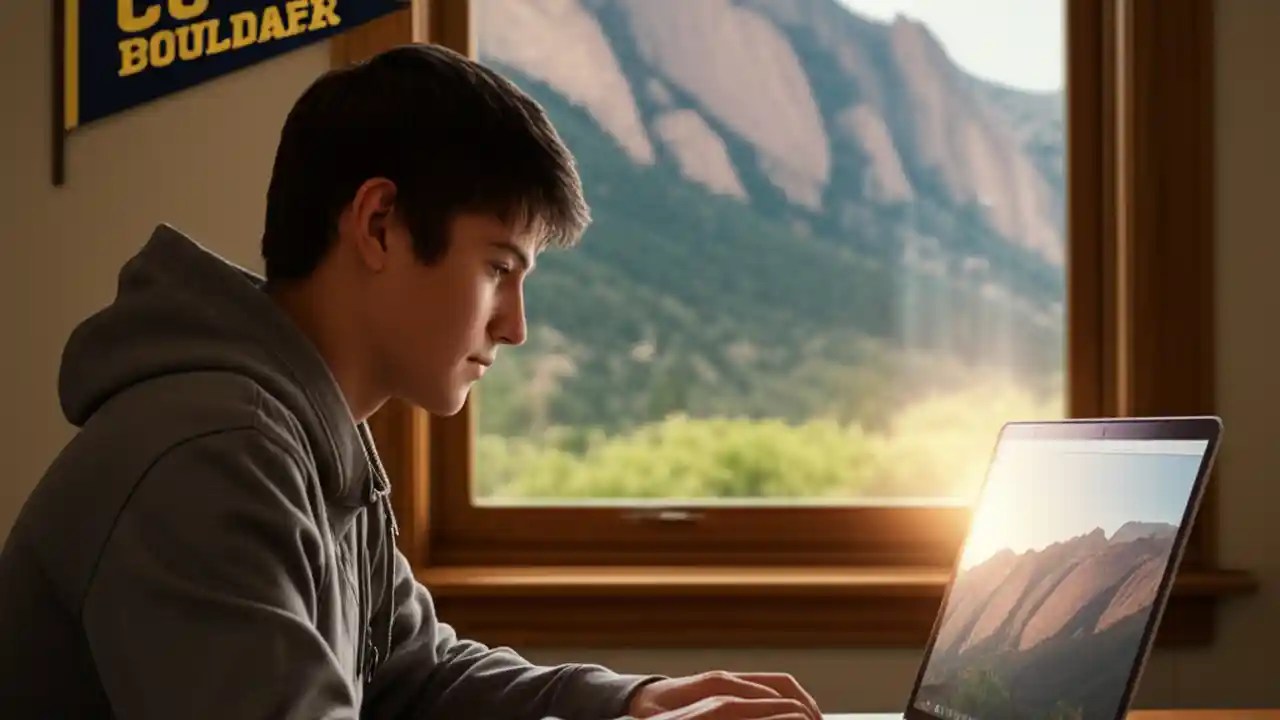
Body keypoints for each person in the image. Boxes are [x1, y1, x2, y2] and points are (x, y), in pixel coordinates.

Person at [0, 43, 824, 719]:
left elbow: (415, 677)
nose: (516, 326)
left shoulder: (305, 437)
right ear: (379, 224)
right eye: (498, 268)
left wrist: (629, 704)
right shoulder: (212, 454)